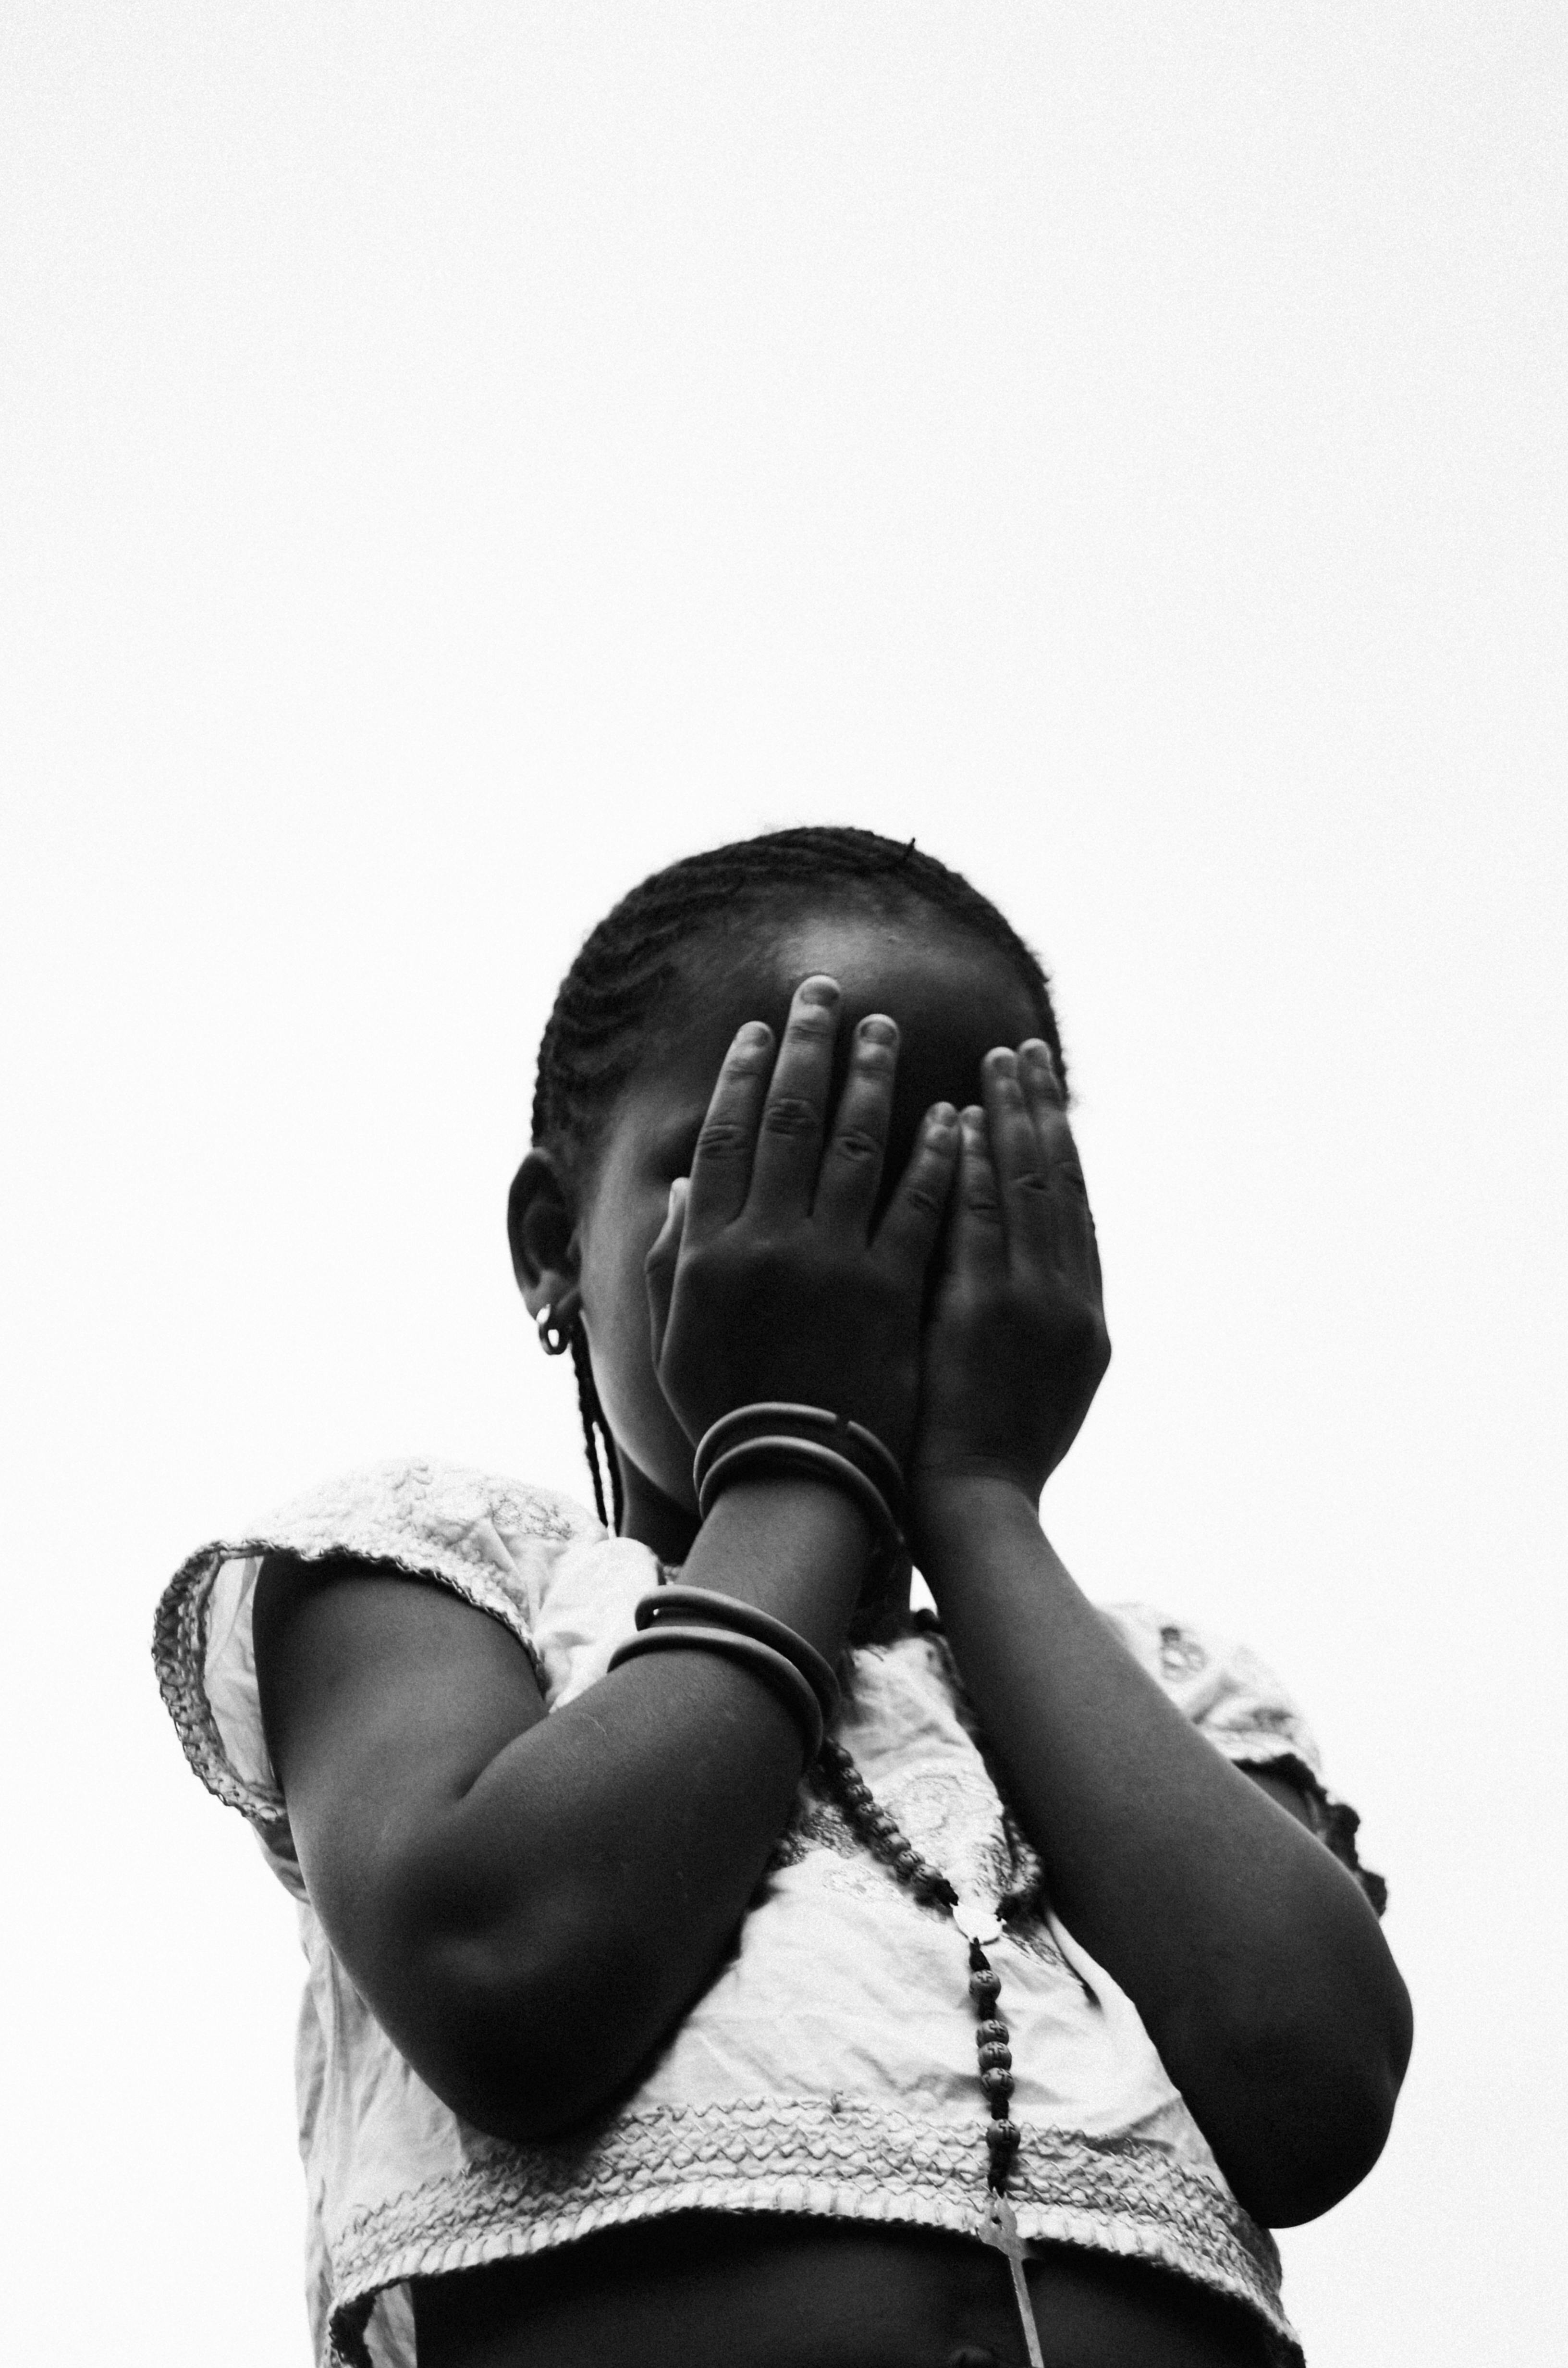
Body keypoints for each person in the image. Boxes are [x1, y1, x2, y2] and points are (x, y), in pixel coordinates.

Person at [154, 826, 1411, 2368]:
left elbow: (1317, 2094)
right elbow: (508, 1972)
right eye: (769, 1175)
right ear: (557, 1249)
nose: (852, 1263)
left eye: (940, 1197)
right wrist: (798, 1459)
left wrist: (982, 1508)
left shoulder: (1166, 1694)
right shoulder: (443, 1583)